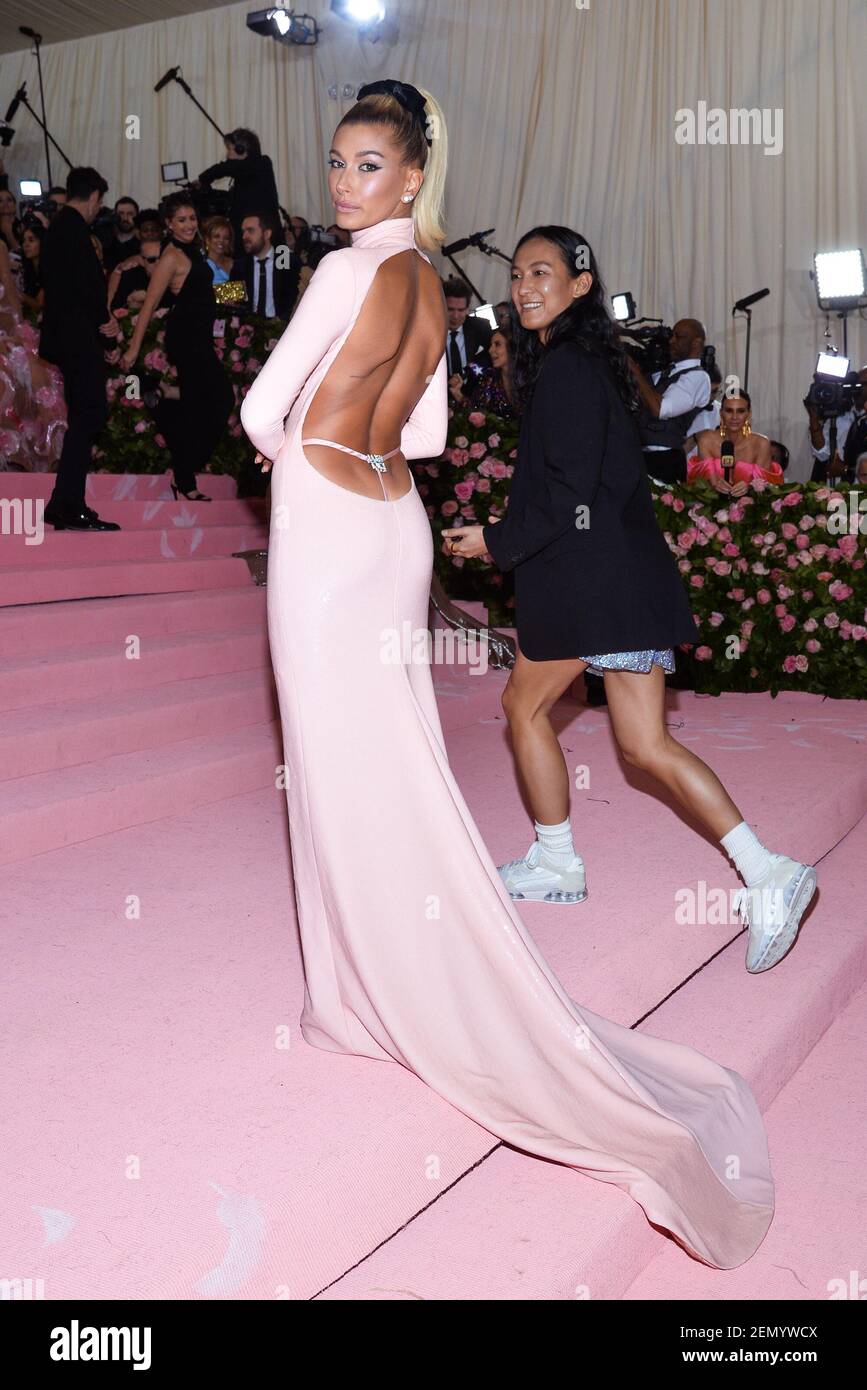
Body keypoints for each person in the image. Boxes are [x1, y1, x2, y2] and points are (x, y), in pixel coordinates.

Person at [240, 79, 776, 1272]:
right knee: (398, 756)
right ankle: (410, 967)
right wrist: (361, 435)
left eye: (367, 165)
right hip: (398, 522)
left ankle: (357, 995)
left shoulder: (343, 273)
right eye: (337, 163)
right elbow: (427, 439)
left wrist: (304, 452)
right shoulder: (438, 286)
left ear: (412, 176)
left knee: (335, 759)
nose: (342, 183)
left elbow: (260, 409)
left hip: (330, 519)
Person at [443, 224, 816, 977]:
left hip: (591, 582)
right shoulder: (578, 362)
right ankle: (765, 870)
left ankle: (558, 864)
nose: (524, 286)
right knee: (643, 746)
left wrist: (494, 538)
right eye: (517, 273)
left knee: (523, 709)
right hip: (612, 576)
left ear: (581, 285)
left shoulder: (571, 369)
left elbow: (567, 490)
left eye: (543, 272)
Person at [120, 192, 234, 500]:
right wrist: (133, 348)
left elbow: (207, 292)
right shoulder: (171, 256)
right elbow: (151, 304)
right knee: (220, 400)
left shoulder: (195, 251)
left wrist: (241, 294)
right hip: (185, 337)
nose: (188, 225)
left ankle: (183, 474)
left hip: (199, 335)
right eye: (181, 220)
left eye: (192, 219)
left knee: (201, 405)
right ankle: (185, 472)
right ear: (169, 224)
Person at [40, 166, 121, 531]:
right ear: (93, 198)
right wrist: (108, 331)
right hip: (79, 339)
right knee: (90, 413)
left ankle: (64, 502)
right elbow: (90, 289)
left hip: (64, 338)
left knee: (83, 416)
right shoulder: (76, 230)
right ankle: (68, 503)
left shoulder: (56, 229)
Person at [0, 235, 66, 470]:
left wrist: (19, 336)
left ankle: (29, 460)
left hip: (5, 336)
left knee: (34, 375)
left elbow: (10, 294)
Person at [630, 319, 712, 482]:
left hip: (665, 459)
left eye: (678, 337)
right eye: (672, 335)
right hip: (638, 455)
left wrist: (634, 370)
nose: (671, 341)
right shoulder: (661, 372)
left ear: (696, 343)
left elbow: (660, 409)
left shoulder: (698, 377)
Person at [688, 389, 784, 492]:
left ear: (749, 414)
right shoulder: (706, 440)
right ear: (721, 413)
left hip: (751, 505)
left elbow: (765, 488)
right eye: (729, 411)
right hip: (713, 503)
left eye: (740, 411)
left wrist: (750, 486)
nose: (734, 417)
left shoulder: (761, 444)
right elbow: (701, 486)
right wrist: (714, 485)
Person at [197, 128, 280, 246]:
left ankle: (285, 265)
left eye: (229, 149)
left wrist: (202, 179)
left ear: (241, 150)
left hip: (271, 238)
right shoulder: (242, 172)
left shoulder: (261, 163)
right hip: (246, 241)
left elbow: (224, 168)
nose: (227, 154)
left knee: (283, 263)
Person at [231, 210, 300, 320]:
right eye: (243, 232)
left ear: (267, 234)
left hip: (282, 327)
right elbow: (232, 304)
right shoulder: (239, 265)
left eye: (250, 231)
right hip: (248, 329)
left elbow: (293, 298)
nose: (244, 236)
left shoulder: (286, 260)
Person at [448, 323, 517, 419]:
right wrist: (458, 394)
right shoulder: (488, 378)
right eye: (491, 345)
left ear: (512, 347)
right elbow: (477, 411)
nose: (490, 350)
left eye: (497, 344)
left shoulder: (530, 376)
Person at [443, 275, 492, 394]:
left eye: (460, 310)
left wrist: (468, 373)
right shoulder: (430, 332)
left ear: (467, 309)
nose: (455, 316)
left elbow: (487, 361)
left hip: (474, 396)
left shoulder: (481, 328)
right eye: (450, 309)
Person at [102, 196, 140, 272]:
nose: (125, 218)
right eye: (121, 213)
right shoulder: (106, 241)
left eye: (130, 214)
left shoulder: (142, 243)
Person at [202, 215, 235, 284]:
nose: (221, 241)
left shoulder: (235, 264)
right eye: (217, 236)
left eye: (226, 238)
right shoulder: (202, 266)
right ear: (207, 240)